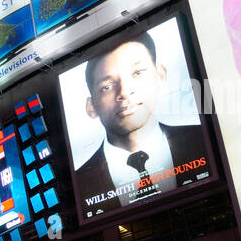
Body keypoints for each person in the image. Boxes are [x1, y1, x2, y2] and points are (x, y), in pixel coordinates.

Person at [72, 30, 205, 216]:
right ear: (91, 106)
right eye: (107, 87)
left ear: (160, 76)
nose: (124, 92)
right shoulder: (79, 184)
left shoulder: (202, 141)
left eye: (137, 73)